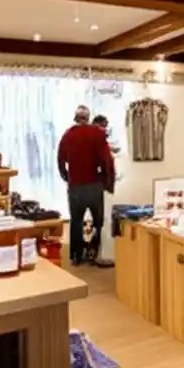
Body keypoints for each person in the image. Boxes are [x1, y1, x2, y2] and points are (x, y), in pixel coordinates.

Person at [58, 105, 115, 266]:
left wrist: (67, 177)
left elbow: (60, 160)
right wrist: (107, 181)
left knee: (76, 221)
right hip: (94, 185)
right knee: (98, 221)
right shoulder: (97, 134)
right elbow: (106, 160)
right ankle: (94, 253)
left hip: (75, 186)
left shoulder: (68, 135)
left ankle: (76, 256)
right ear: (88, 118)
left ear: (75, 118)